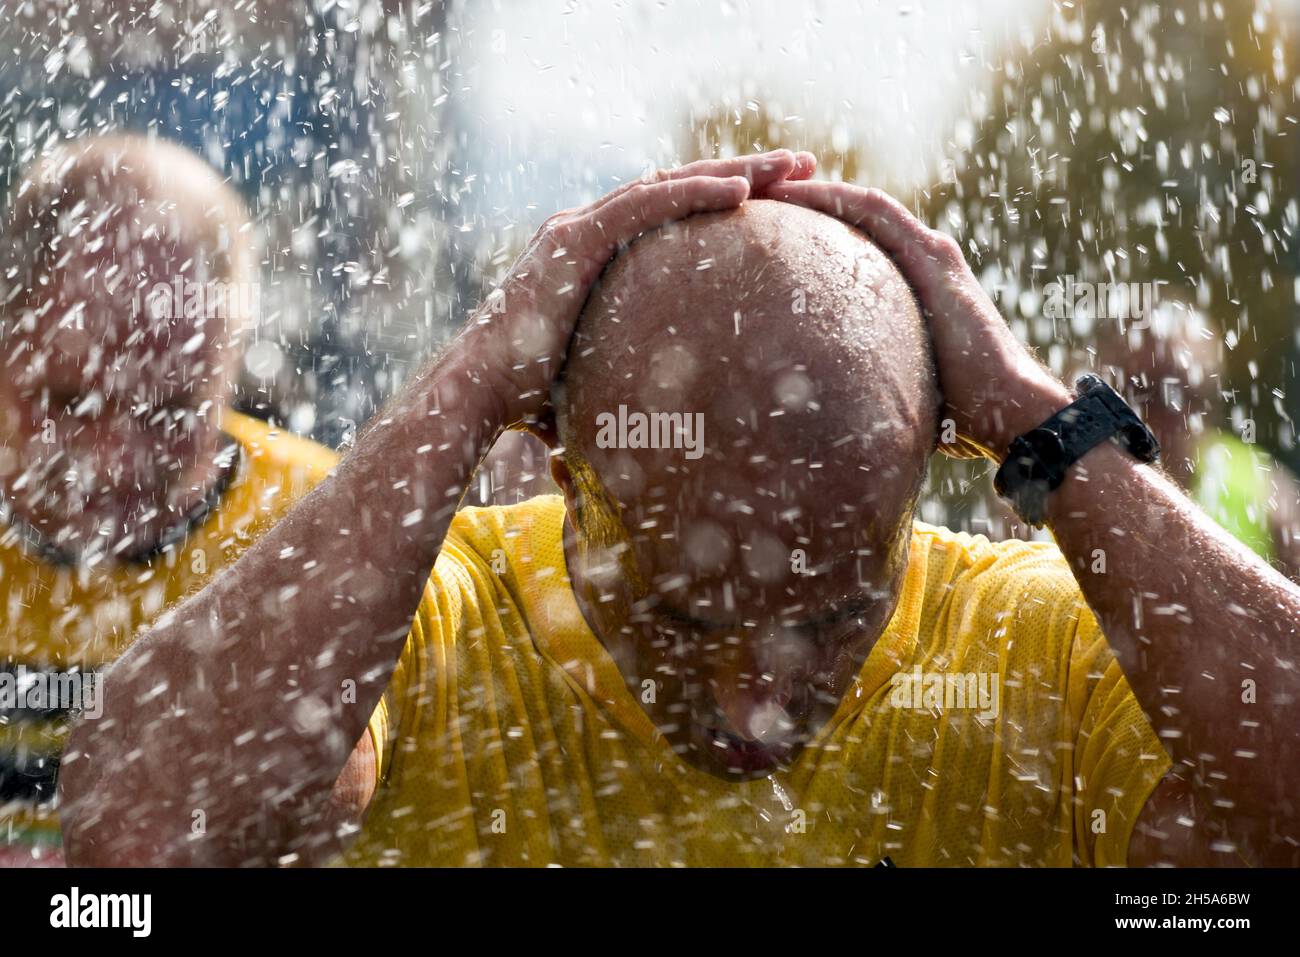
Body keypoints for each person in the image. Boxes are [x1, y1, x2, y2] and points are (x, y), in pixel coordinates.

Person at [61, 150, 1300, 867]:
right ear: (559, 473)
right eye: (679, 616)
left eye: (828, 617)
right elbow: (132, 846)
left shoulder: (1030, 654)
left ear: (924, 491)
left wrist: (1050, 424)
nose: (751, 698)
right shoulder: (443, 631)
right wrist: (474, 377)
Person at [0, 134, 336, 864]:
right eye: (72, 400)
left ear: (232, 361)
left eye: (173, 411)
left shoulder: (319, 522)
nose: (116, 458)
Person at [1091, 297, 1300, 579]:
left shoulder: (1265, 494)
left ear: (1212, 399)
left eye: (1185, 391)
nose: (1171, 412)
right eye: (1146, 390)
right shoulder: (1072, 481)